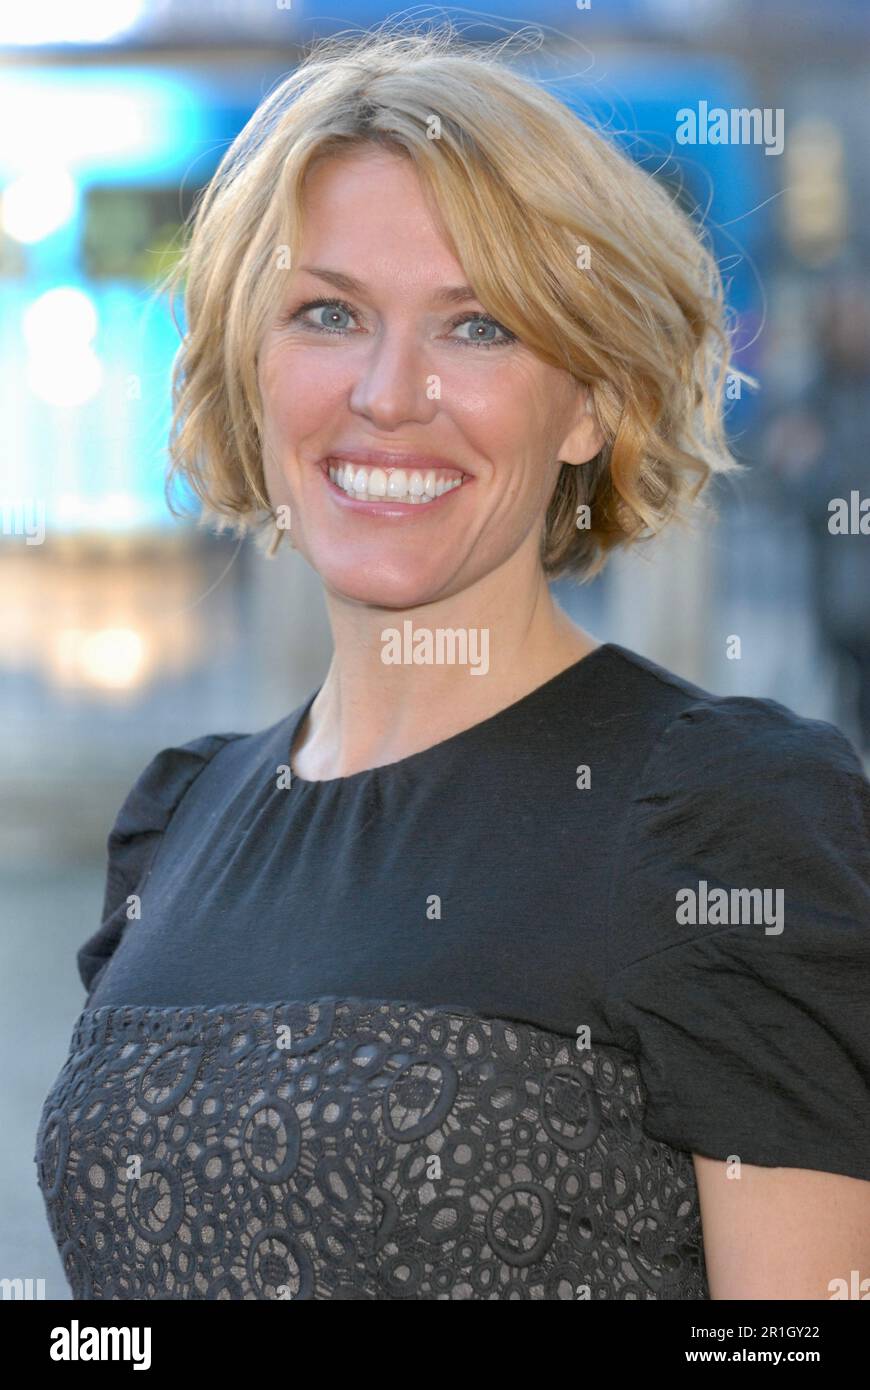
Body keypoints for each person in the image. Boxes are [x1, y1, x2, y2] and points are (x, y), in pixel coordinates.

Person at [35, 27, 870, 1301]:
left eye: (478, 326)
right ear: (253, 368)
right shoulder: (178, 819)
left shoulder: (727, 819)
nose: (389, 392)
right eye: (328, 313)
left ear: (592, 402)